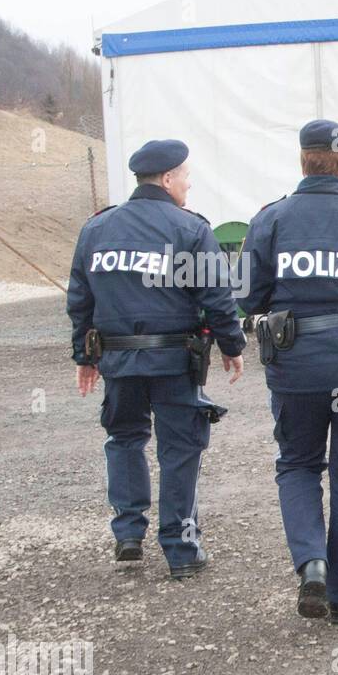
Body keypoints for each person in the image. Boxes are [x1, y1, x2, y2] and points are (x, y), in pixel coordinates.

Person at [237, 120, 338, 624]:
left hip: (297, 369)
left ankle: (311, 564)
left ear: (302, 159)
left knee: (299, 464)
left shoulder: (272, 220)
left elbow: (244, 296)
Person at [67, 139, 245, 579]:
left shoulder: (97, 229)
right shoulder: (190, 230)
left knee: (125, 439)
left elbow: (80, 299)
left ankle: (128, 534)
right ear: (167, 179)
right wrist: (232, 346)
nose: (189, 183)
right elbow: (216, 296)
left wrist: (84, 355)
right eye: (185, 176)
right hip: (173, 363)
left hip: (118, 363)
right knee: (180, 450)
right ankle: (182, 552)